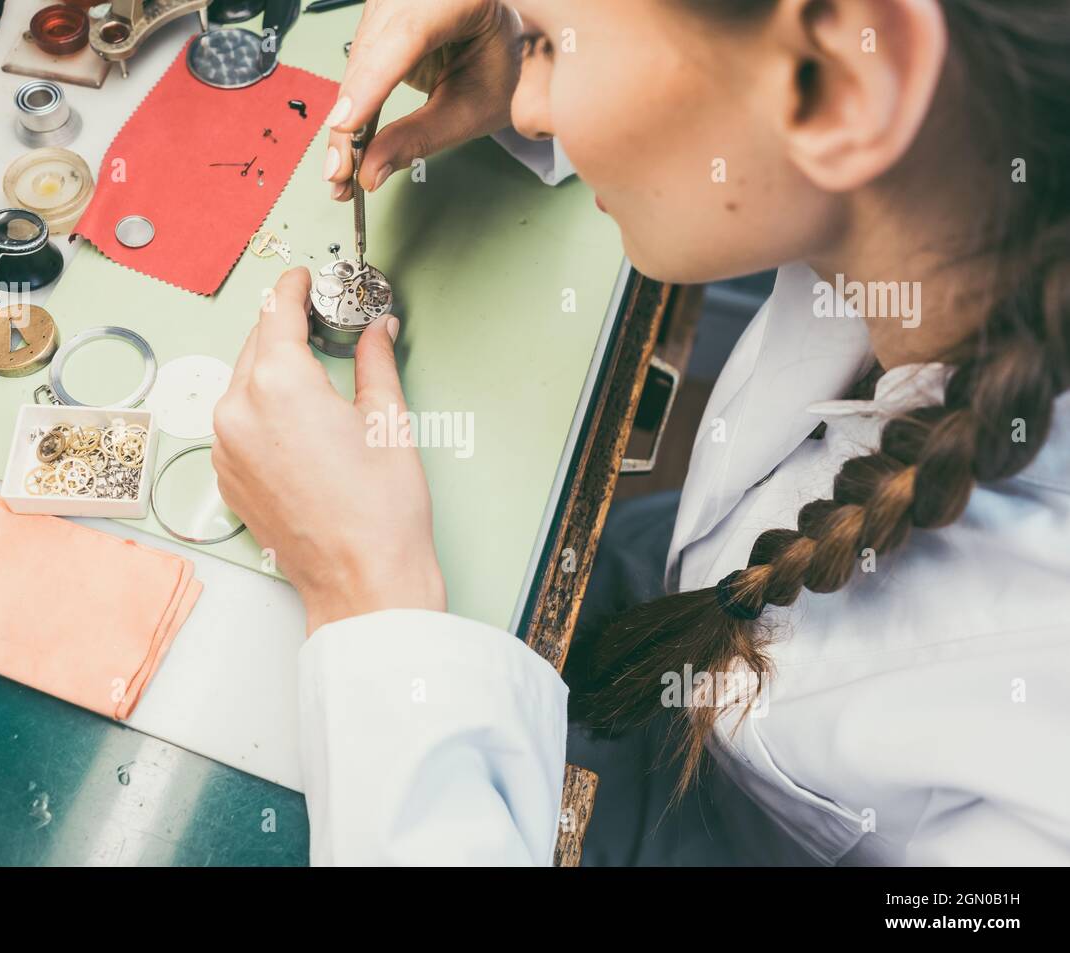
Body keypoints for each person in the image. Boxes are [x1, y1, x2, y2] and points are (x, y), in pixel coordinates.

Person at [210, 0, 1070, 865]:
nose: (529, 107)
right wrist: (525, 48)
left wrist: (368, 596)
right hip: (680, 603)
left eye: (552, 46)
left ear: (839, 82)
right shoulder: (964, 198)